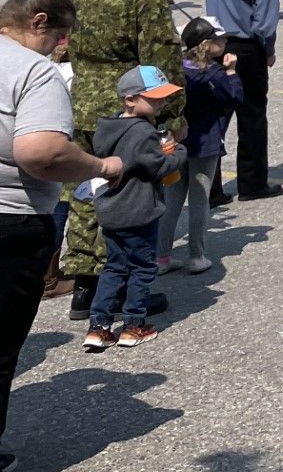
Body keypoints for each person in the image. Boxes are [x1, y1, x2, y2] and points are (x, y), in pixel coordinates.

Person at [0, 0, 125, 469]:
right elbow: (42, 153)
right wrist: (100, 166)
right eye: (59, 35)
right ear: (37, 21)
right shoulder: (33, 70)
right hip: (3, 225)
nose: (60, 47)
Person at [58, 0, 186, 320]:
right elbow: (161, 60)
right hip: (126, 112)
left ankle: (85, 287)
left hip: (83, 105)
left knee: (86, 192)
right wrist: (173, 117)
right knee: (128, 197)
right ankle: (123, 290)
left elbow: (70, 47)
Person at [83, 65, 187, 351]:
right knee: (142, 268)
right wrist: (178, 151)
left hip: (111, 209)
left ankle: (99, 326)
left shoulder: (110, 127)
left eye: (163, 97)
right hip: (138, 210)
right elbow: (160, 167)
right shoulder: (142, 131)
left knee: (114, 267)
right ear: (130, 99)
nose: (161, 102)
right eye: (154, 98)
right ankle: (133, 325)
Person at [204, 0, 281, 202]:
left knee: (216, 117)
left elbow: (210, 8)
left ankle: (210, 187)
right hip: (248, 49)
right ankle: (252, 183)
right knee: (252, 117)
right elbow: (264, 23)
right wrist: (269, 51)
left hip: (219, 45)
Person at [155, 19, 240, 271]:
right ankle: (196, 256)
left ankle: (161, 257)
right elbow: (235, 98)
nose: (225, 42)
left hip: (176, 140)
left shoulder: (177, 70)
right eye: (219, 39)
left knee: (172, 199)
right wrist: (231, 72)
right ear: (206, 44)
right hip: (205, 143)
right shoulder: (213, 73)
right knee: (200, 198)